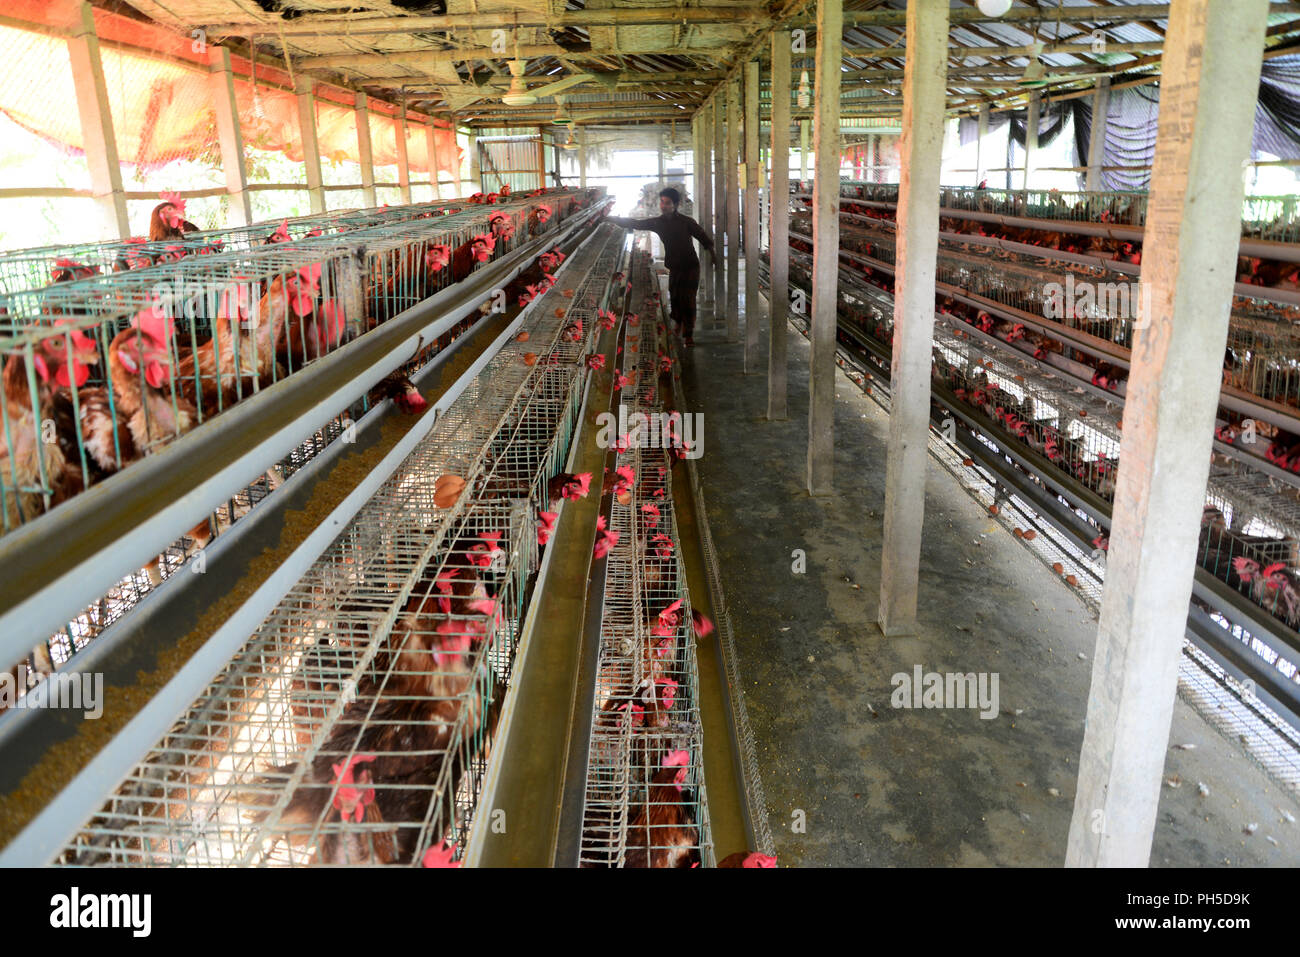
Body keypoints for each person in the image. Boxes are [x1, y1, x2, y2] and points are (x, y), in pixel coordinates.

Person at [608, 187, 715, 345]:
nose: (663, 206)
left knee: (689, 300)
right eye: (662, 202)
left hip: (690, 267)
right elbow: (636, 223)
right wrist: (612, 219)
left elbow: (703, 238)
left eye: (667, 203)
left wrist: (713, 256)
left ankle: (688, 334)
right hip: (675, 267)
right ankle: (678, 322)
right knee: (676, 297)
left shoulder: (686, 222)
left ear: (676, 204)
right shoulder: (658, 222)